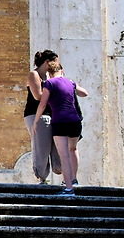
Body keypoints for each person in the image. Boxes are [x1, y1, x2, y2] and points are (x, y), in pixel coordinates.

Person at [34, 62, 89, 195]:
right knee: (73, 149)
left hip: (60, 121)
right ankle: (74, 180)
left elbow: (42, 104)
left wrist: (36, 121)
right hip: (75, 121)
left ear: (48, 73)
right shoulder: (70, 82)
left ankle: (69, 188)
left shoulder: (49, 83)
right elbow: (84, 93)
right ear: (62, 70)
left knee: (63, 155)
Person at [25, 50, 62, 183]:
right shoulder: (34, 74)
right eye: (55, 61)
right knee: (41, 146)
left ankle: (61, 172)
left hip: (51, 114)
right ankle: (41, 178)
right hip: (36, 114)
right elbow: (38, 96)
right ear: (47, 62)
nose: (57, 65)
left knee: (57, 145)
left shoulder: (50, 77)